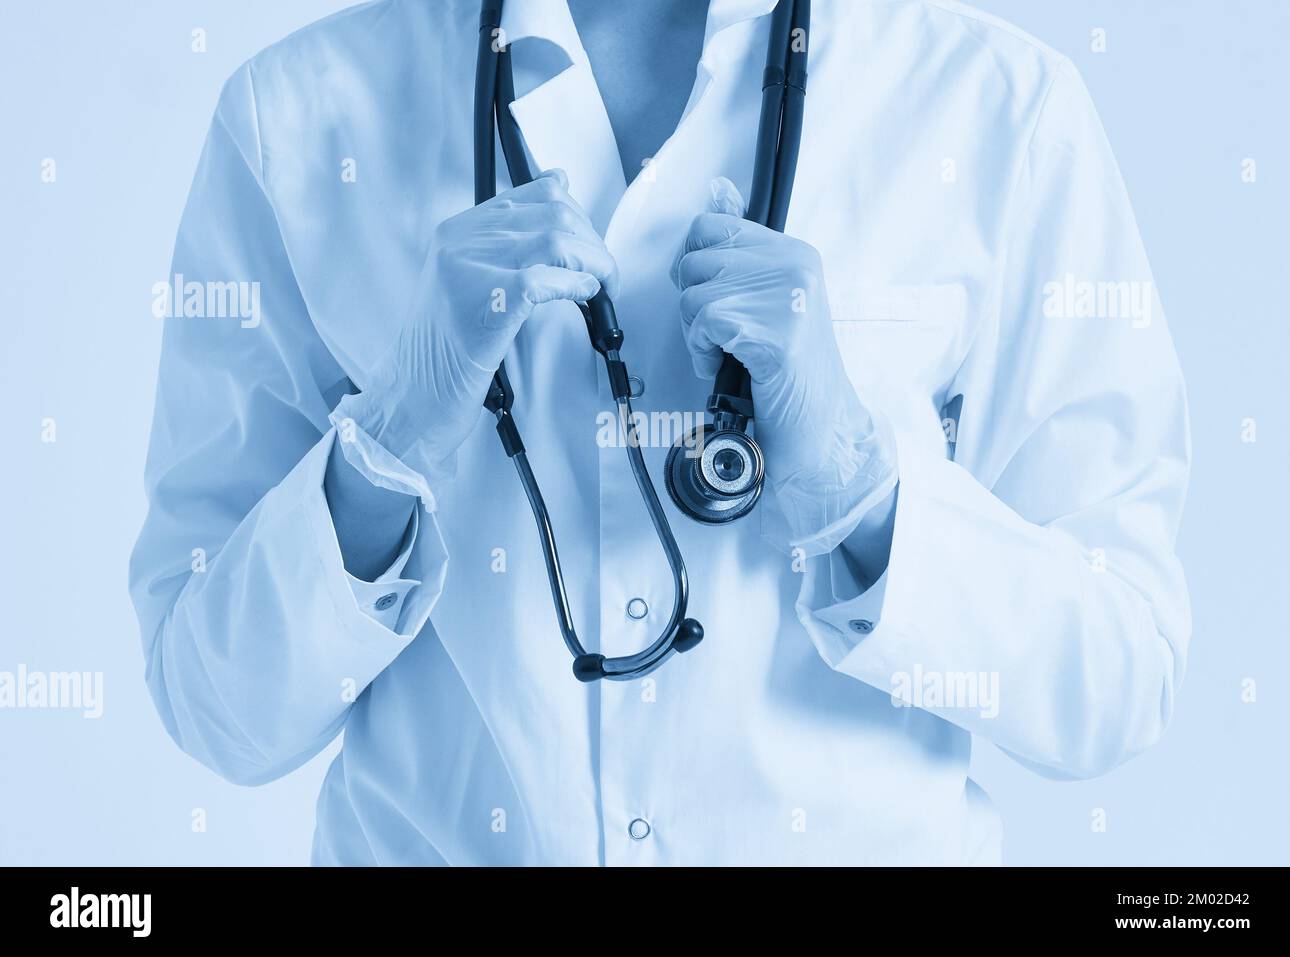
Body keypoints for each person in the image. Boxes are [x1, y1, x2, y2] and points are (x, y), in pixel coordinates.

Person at [129, 0, 1191, 865]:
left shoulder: (995, 110)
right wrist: (395, 432)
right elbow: (220, 708)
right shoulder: (298, 115)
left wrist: (857, 486)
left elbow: (1114, 681)